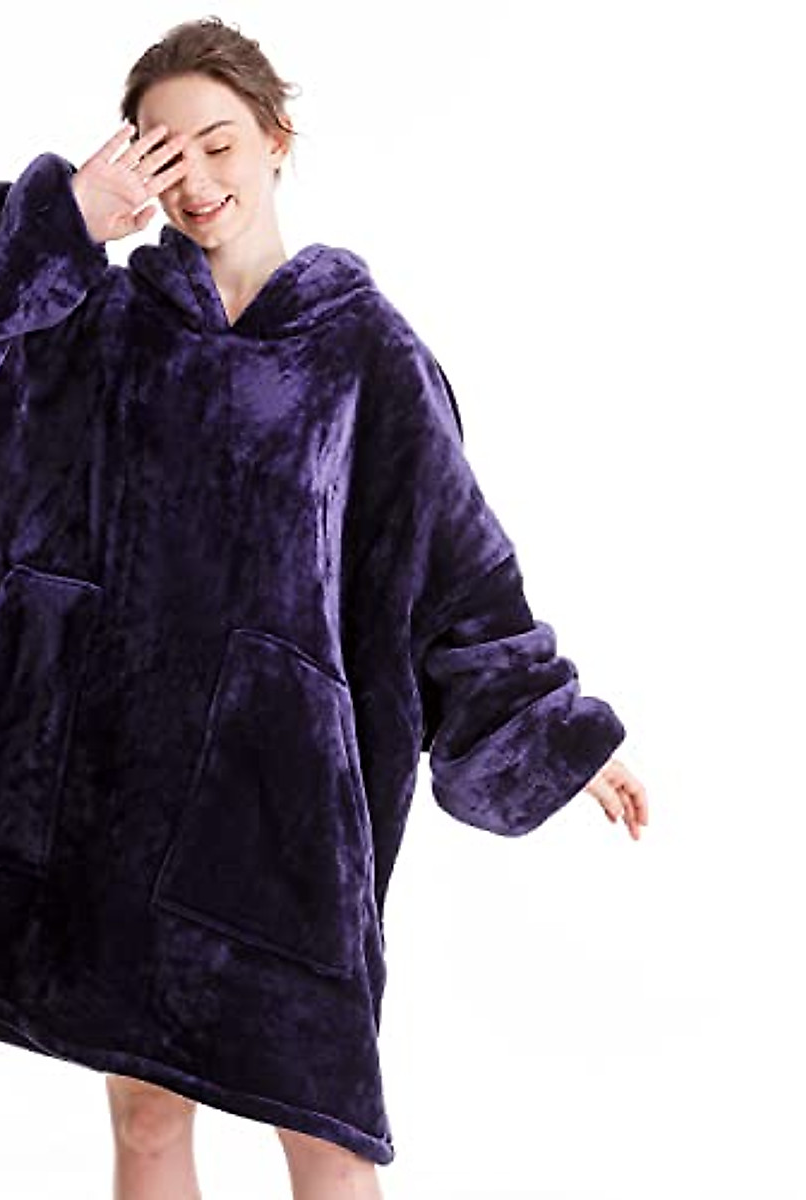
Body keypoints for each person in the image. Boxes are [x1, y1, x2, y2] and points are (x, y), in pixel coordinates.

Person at [72, 17, 649, 1200]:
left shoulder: (363, 350)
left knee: (323, 1127)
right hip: (131, 773)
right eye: (164, 153)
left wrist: (551, 729)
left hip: (292, 797)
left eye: (219, 143)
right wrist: (64, 221)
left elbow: (454, 557)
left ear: (277, 140)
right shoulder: (111, 331)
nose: (197, 179)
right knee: (144, 1114)